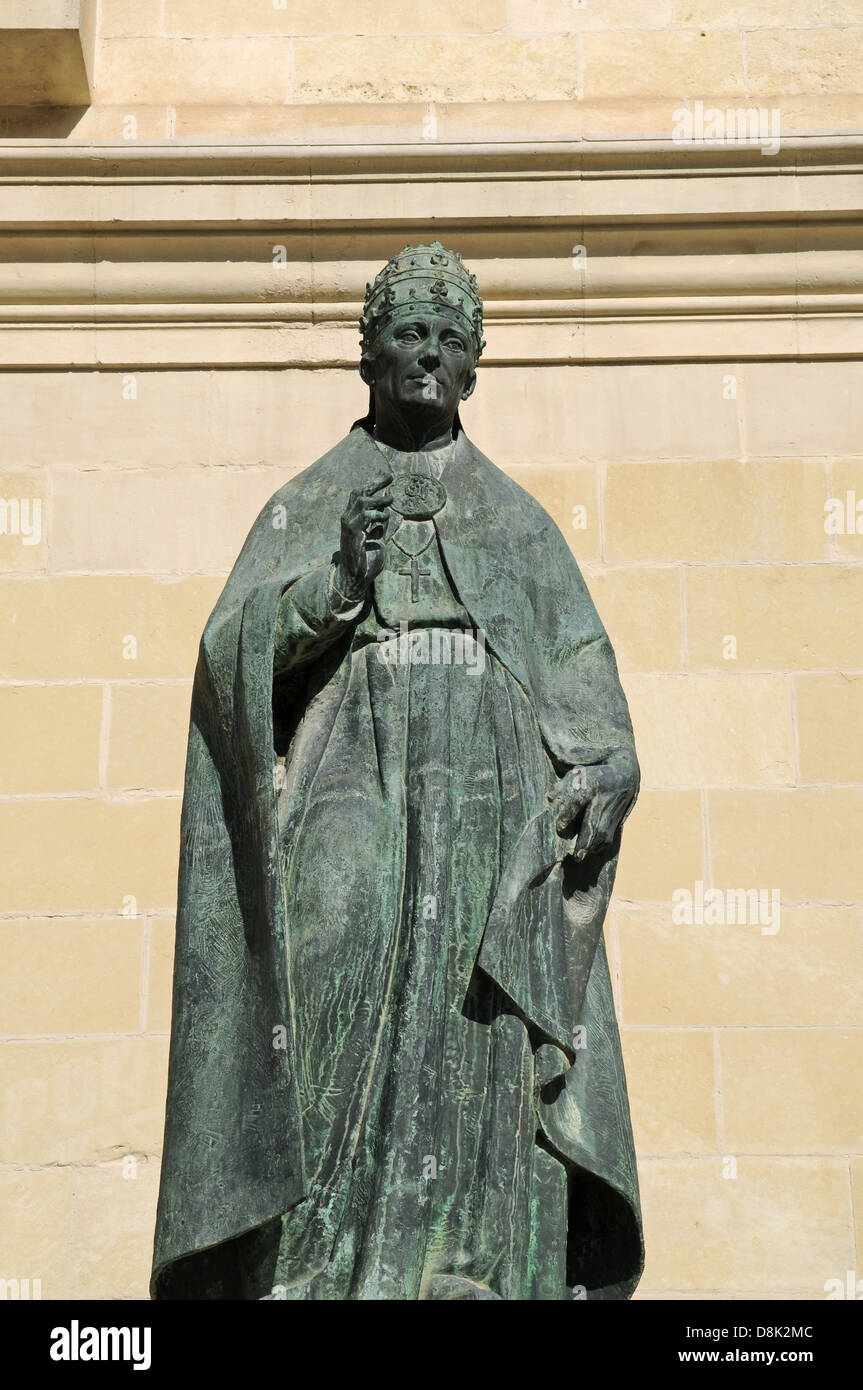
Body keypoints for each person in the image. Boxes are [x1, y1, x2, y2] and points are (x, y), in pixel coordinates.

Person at [151, 242, 643, 1301]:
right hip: (350, 778)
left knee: (476, 1022)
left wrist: (603, 777)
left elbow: (586, 691)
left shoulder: (520, 523)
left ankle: (472, 1265)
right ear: (368, 354)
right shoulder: (308, 499)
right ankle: (314, 1263)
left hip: (487, 808)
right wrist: (335, 582)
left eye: (445, 340)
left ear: (471, 365)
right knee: (327, 955)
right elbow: (230, 657)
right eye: (405, 335)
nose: (424, 355)